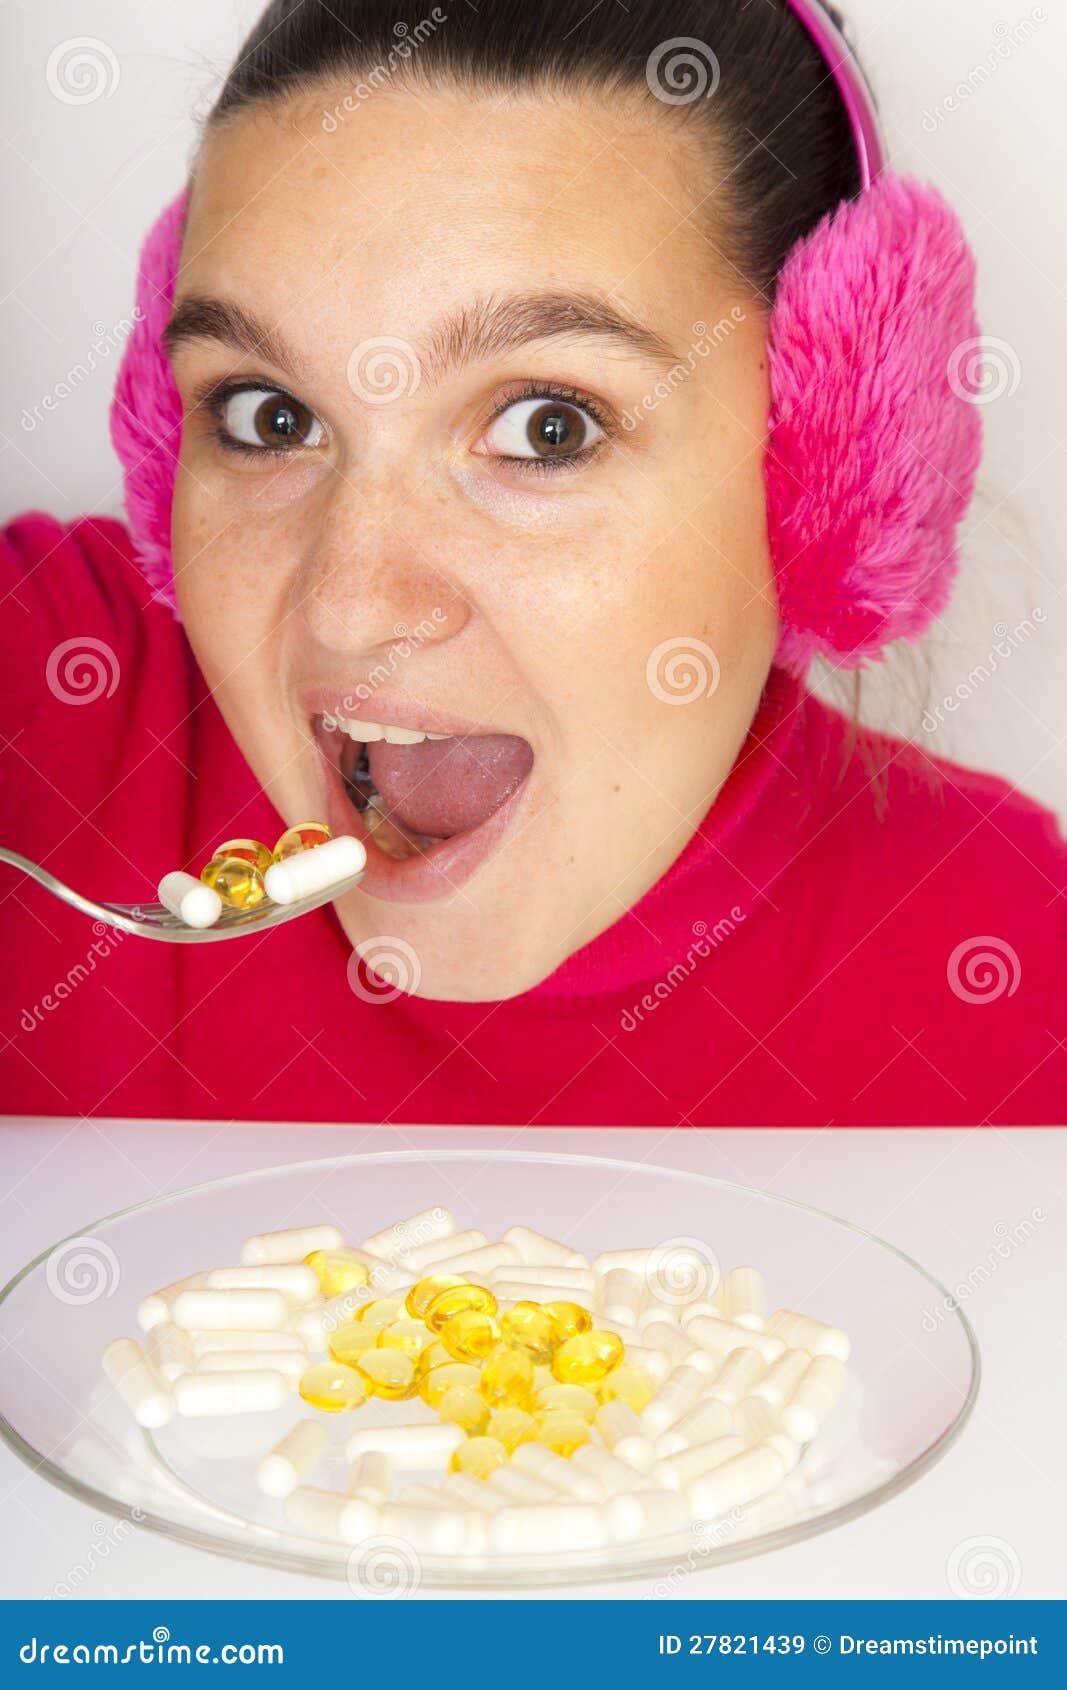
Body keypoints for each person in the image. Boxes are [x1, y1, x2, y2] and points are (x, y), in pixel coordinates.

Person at [1, 0, 1063, 1126]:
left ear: (830, 468)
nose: (349, 609)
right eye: (267, 416)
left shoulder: (1018, 958)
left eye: (547, 428)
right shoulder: (56, 687)